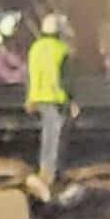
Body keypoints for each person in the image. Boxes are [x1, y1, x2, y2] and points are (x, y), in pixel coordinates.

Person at [24, 13, 75, 202]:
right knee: (55, 138)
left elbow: (29, 75)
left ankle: (46, 172)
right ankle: (49, 179)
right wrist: (71, 101)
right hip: (56, 99)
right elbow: (66, 79)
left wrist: (29, 98)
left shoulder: (35, 48)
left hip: (39, 98)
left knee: (47, 136)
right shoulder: (61, 50)